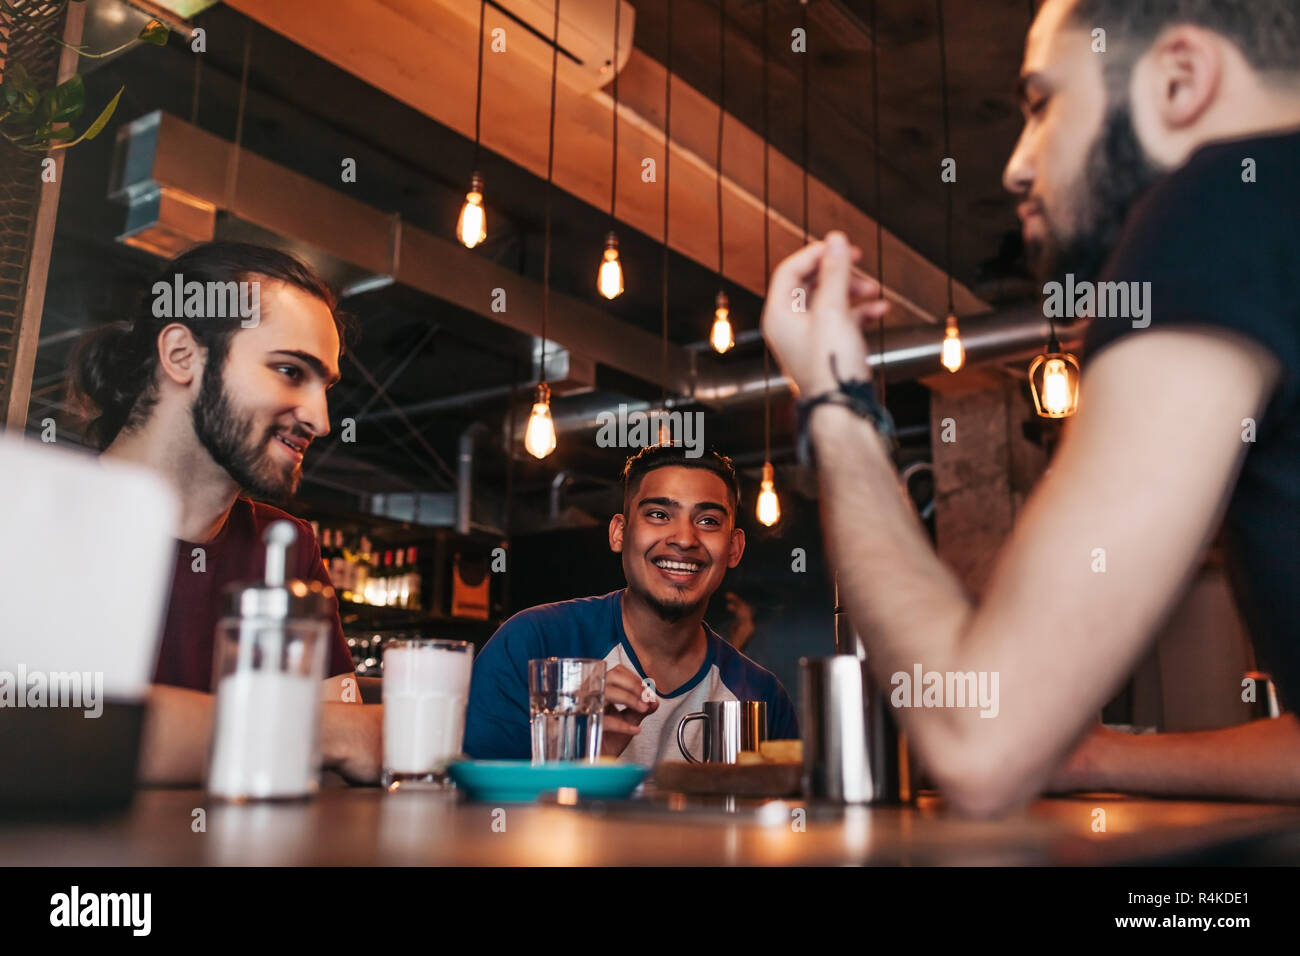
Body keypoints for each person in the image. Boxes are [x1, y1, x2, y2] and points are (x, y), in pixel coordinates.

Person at [761, 0, 1300, 816]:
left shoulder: (1216, 204)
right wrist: (1090, 754)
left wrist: (835, 402)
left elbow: (981, 741)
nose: (1015, 166)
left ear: (1181, 78)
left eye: (1042, 102)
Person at [70, 241, 381, 785]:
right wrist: (322, 733)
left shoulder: (287, 545)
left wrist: (333, 734)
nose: (321, 420)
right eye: (289, 371)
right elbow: (46, 727)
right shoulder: (37, 509)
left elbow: (349, 756)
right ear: (182, 355)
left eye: (324, 386)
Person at [464, 445, 799, 763]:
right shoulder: (531, 644)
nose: (684, 538)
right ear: (619, 533)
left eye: (708, 521)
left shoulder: (764, 698)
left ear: (734, 548)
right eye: (658, 514)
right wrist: (579, 755)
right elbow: (470, 809)